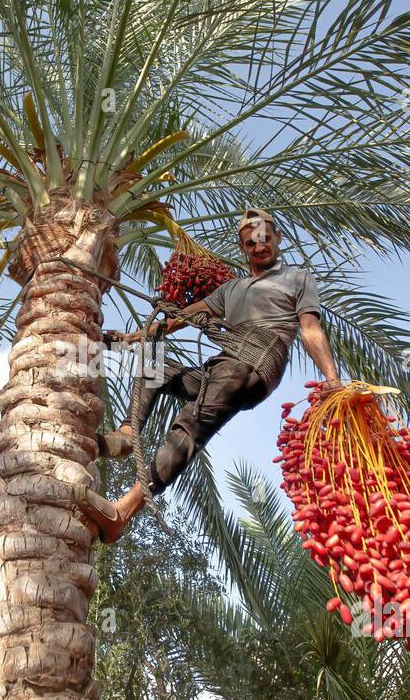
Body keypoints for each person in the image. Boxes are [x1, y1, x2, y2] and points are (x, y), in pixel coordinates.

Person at [76, 207, 342, 542]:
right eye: (250, 242)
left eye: (264, 238)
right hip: (226, 362)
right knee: (153, 373)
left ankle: (122, 512)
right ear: (244, 248)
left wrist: (331, 377)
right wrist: (127, 339)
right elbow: (177, 319)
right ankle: (128, 434)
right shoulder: (231, 290)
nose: (259, 246)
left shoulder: (296, 278)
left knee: (191, 423)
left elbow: (310, 327)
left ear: (277, 239)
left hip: (257, 358)